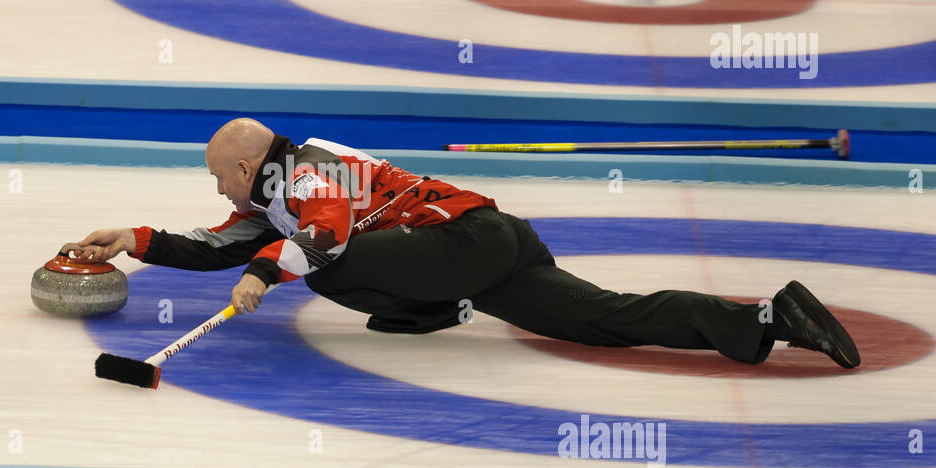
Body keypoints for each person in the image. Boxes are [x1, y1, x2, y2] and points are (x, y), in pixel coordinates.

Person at [63, 118, 860, 368]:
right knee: (604, 318)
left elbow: (326, 235)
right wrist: (129, 239)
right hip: (488, 251)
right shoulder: (271, 198)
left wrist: (267, 275)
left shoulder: (308, 172)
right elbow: (214, 245)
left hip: (467, 242)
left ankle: (435, 308)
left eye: (218, 179)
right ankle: (766, 317)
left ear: (244, 163)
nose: (218, 194)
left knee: (328, 268)